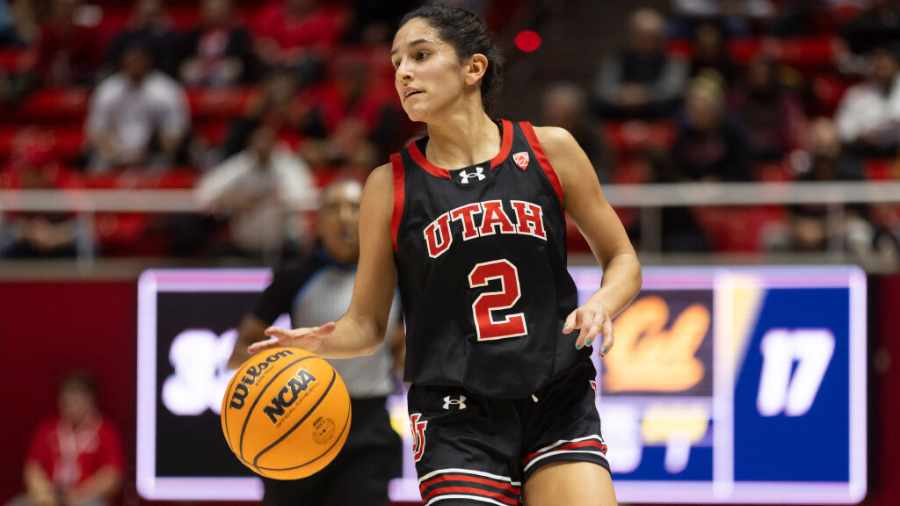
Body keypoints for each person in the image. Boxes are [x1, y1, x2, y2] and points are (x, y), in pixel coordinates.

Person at [250, 4, 642, 505]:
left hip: (556, 393)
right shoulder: (388, 187)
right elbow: (368, 326)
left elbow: (623, 258)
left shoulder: (551, 149)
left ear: (473, 68)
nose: (403, 73)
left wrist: (603, 303)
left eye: (420, 55)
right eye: (396, 63)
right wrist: (318, 343)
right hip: (455, 414)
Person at [227, 178, 403, 506]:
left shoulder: (395, 273)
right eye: (334, 208)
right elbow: (241, 349)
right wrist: (270, 366)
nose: (345, 217)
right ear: (318, 223)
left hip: (368, 424)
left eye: (354, 208)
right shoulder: (296, 275)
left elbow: (402, 350)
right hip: (299, 415)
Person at [9, 371, 124, 506]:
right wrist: (45, 495)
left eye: (76, 400)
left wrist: (78, 495)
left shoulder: (106, 432)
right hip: (50, 497)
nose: (71, 406)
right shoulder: (48, 429)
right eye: (66, 400)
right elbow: (33, 469)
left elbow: (112, 476)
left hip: (86, 498)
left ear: (91, 400)